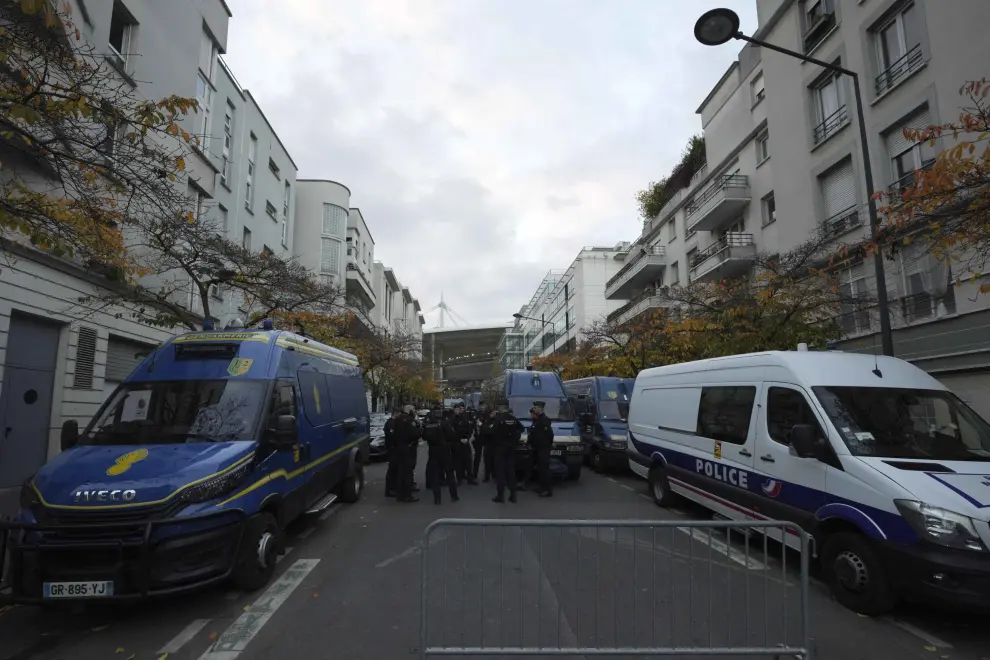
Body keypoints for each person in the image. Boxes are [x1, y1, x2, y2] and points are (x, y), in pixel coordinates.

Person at [422, 406, 458, 504]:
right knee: (450, 474)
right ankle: (454, 496)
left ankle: (437, 498)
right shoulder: (444, 423)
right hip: (445, 450)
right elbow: (452, 434)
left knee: (435, 476)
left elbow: (424, 437)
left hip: (433, 451)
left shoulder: (429, 424)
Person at [492, 398, 524, 503]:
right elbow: (522, 429)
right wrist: (515, 437)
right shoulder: (513, 419)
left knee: (500, 472)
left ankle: (500, 496)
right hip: (511, 448)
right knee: (510, 471)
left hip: (500, 448)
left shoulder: (498, 419)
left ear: (501, 407)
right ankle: (513, 495)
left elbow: (493, 432)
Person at [394, 404, 421, 503]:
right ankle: (407, 495)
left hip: (399, 447)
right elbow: (416, 434)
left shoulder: (397, 419)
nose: (414, 410)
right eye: (413, 408)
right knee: (407, 472)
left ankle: (399, 494)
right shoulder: (410, 420)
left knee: (401, 471)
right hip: (408, 448)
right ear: (409, 409)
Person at [529, 401, 555, 497]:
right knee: (540, 469)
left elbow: (549, 435)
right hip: (538, 448)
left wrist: (546, 445)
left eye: (536, 408)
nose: (534, 409)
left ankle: (547, 490)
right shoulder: (538, 419)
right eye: (534, 407)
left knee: (545, 469)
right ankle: (542, 487)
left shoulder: (544, 420)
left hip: (543, 448)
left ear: (541, 409)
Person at [451, 404, 477, 485]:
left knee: (468, 461)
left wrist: (467, 438)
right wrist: (459, 439)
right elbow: (451, 432)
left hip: (465, 442)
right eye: (457, 409)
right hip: (457, 443)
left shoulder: (465, 418)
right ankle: (459, 479)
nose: (459, 410)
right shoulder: (452, 419)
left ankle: (470, 479)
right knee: (458, 462)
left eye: (461, 409)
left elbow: (469, 429)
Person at [384, 407, 401, 497]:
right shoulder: (391, 423)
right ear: (395, 413)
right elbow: (392, 436)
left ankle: (393, 487)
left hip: (394, 449)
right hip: (392, 449)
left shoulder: (392, 422)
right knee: (392, 469)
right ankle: (389, 490)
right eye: (399, 414)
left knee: (395, 469)